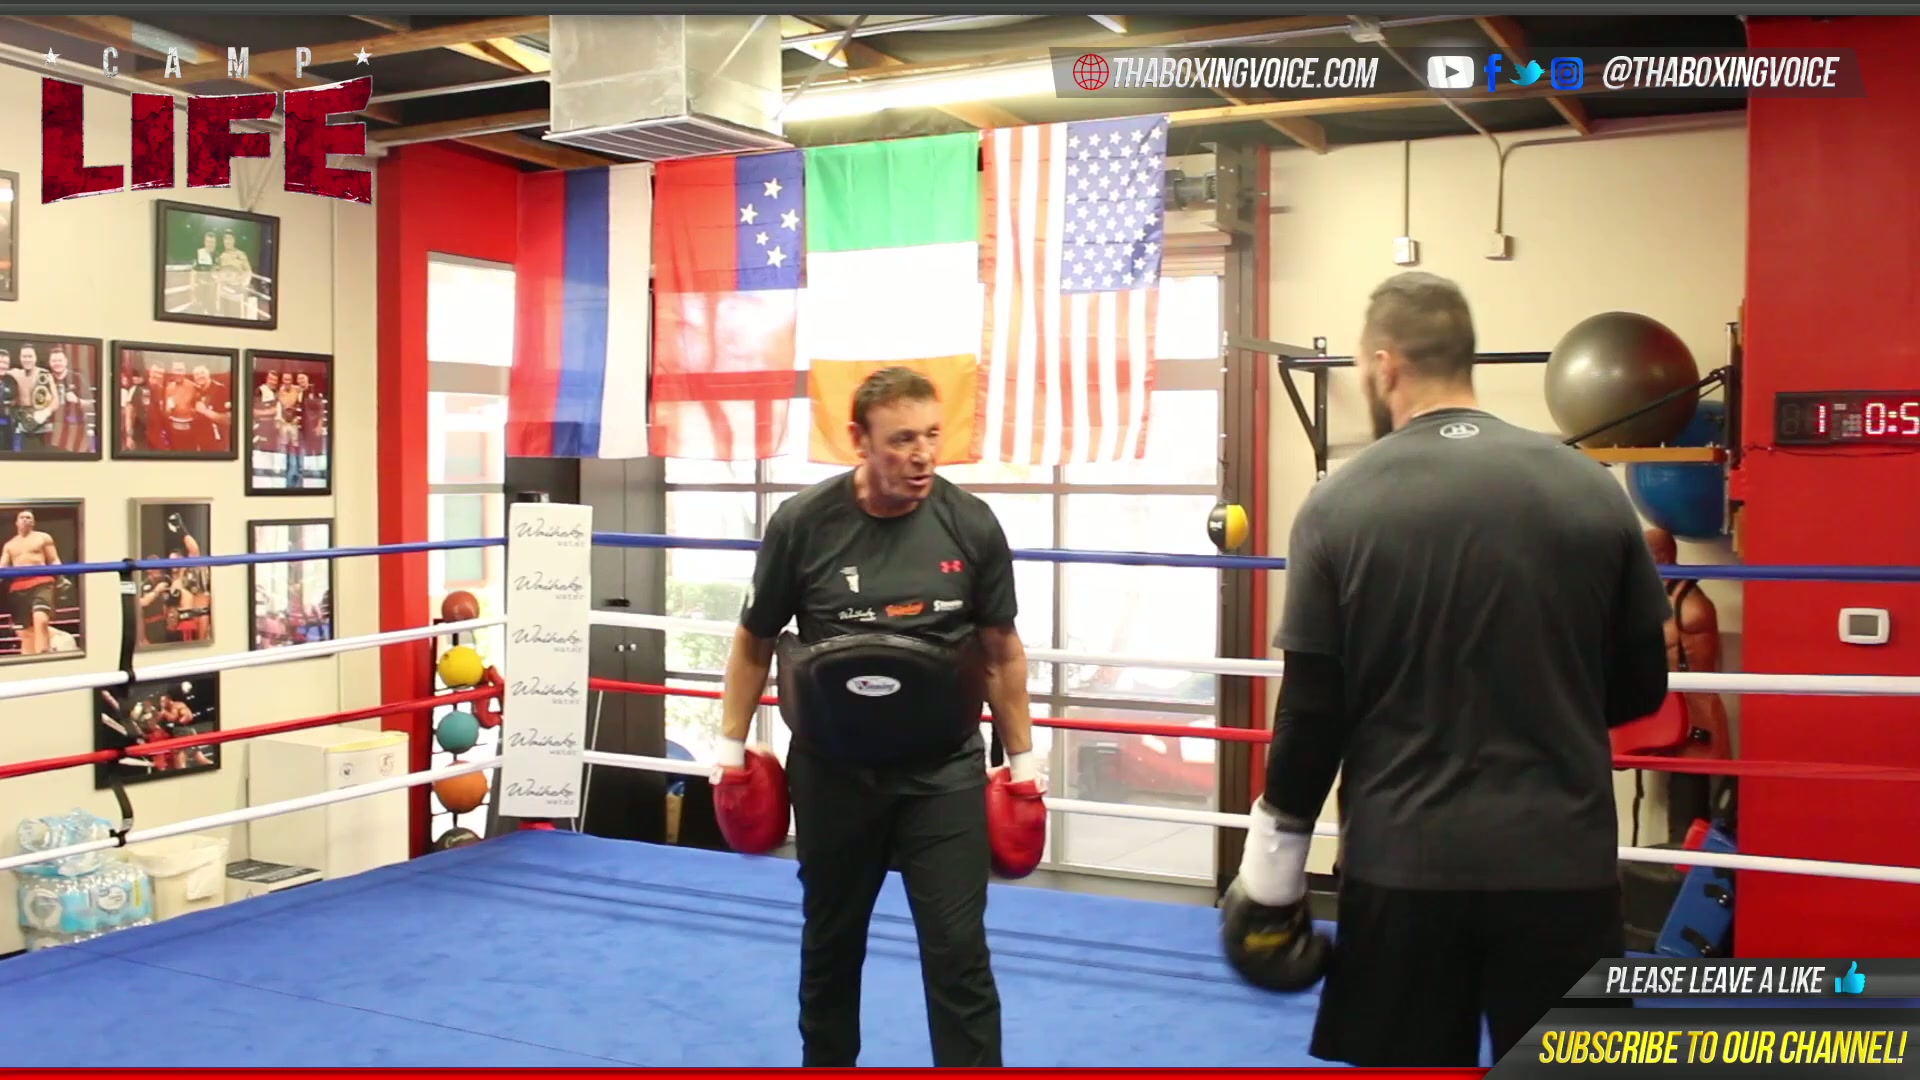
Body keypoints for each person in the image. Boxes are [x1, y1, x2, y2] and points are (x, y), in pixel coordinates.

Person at [1223, 272, 1672, 1067]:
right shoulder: (1591, 488)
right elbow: (1642, 688)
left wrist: (1271, 873)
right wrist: (1540, 703)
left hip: (1405, 870)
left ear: (1385, 365)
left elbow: (1313, 712)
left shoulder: (1341, 503)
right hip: (1564, 868)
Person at [712, 366, 1044, 1068]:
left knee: (957, 953)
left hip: (944, 773)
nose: (921, 454)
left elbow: (1001, 652)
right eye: (901, 440)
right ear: (859, 440)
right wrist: (728, 751)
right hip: (833, 774)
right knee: (830, 944)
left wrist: (1025, 767)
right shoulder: (804, 524)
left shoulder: (970, 523)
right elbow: (754, 640)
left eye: (931, 435)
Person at [1640, 526, 1734, 843]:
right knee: (1680, 802)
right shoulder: (1664, 594)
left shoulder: (1689, 605)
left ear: (1660, 556)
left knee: (1691, 810)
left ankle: (1686, 875)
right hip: (1672, 714)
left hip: (1696, 717)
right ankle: (1674, 873)